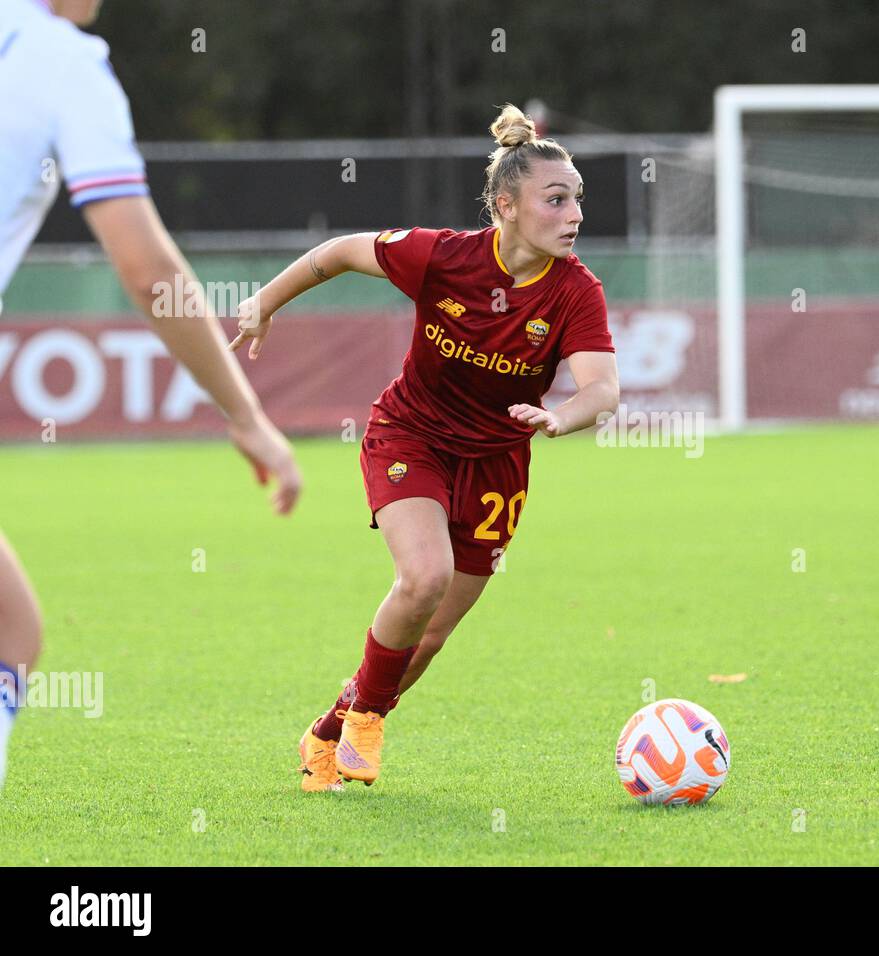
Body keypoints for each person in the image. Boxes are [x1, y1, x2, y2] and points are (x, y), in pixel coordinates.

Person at [228, 103, 620, 791]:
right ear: (506, 205)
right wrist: (266, 300)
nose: (574, 215)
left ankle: (330, 727)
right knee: (423, 578)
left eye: (577, 200)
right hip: (411, 435)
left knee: (430, 634)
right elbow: (340, 252)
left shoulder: (576, 291)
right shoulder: (442, 257)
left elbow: (603, 389)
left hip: (499, 463)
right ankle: (371, 720)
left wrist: (562, 416)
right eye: (556, 199)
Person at [0, 0, 302, 793]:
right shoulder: (63, 60)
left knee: (12, 630)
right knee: (10, 635)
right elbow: (149, 271)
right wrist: (246, 414)